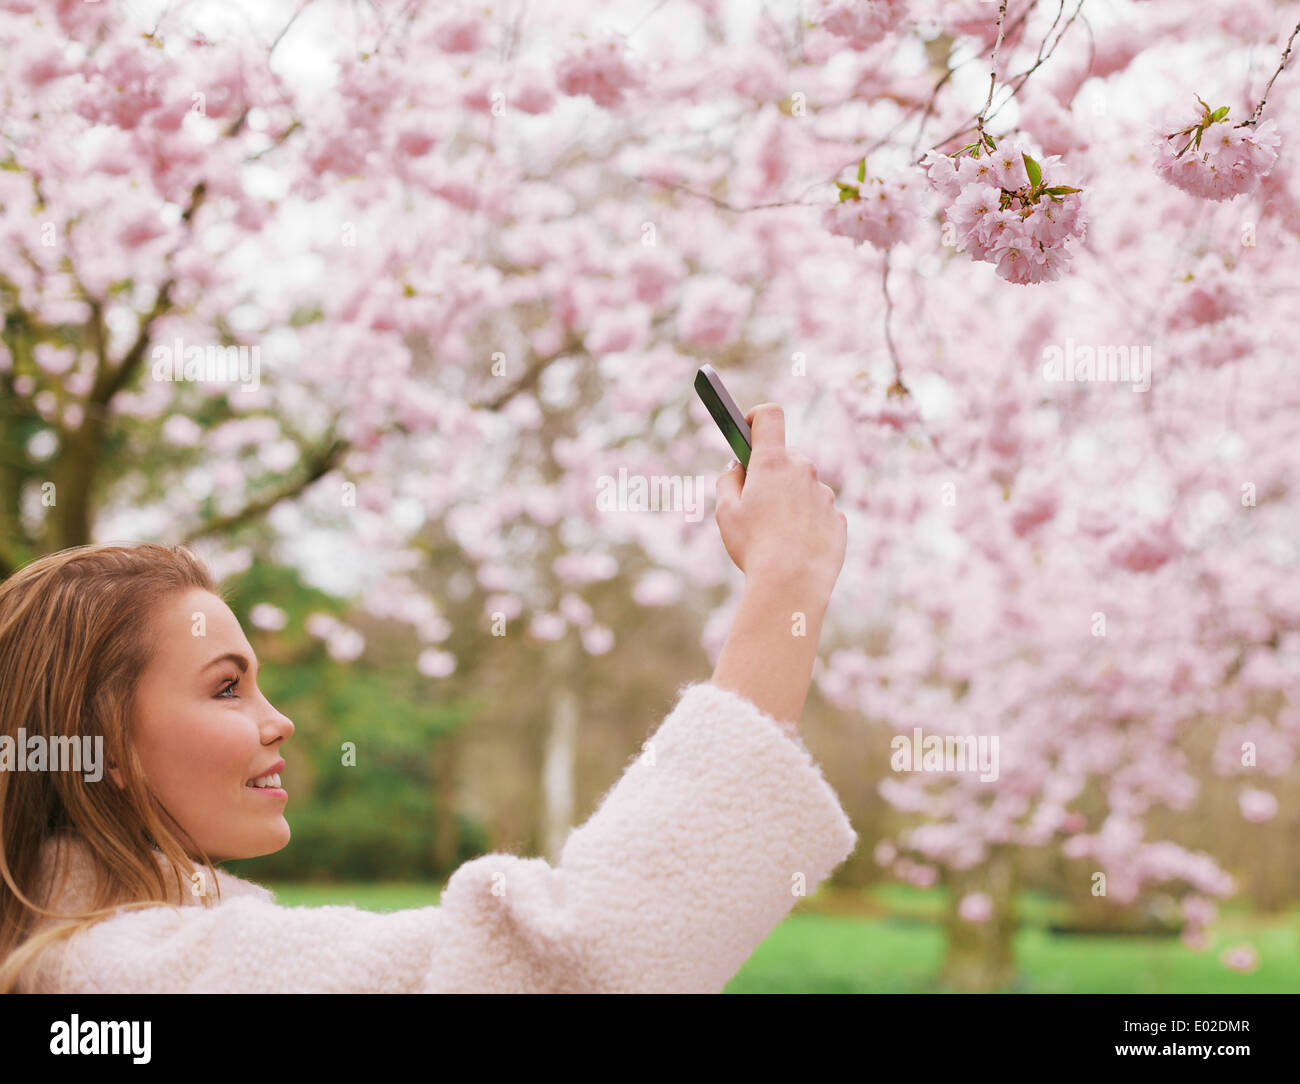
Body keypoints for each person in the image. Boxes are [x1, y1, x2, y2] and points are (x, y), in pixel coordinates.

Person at [0, 403, 855, 993]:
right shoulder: (131, 973)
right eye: (226, 687)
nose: (279, 720)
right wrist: (787, 580)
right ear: (101, 742)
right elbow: (581, 970)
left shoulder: (104, 953)